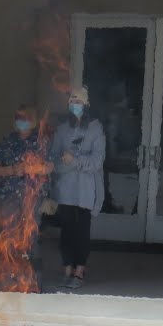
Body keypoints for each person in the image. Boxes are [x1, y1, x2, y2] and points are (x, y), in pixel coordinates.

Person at [49, 86, 106, 290]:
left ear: (87, 104)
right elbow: (53, 158)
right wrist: (62, 163)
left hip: (85, 190)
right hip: (65, 190)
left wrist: (75, 160)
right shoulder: (62, 129)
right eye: (72, 100)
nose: (75, 104)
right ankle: (67, 269)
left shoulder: (95, 128)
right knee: (66, 231)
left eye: (79, 101)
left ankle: (79, 271)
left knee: (81, 231)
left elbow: (98, 160)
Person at [0, 106, 53, 292]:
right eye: (19, 118)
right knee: (9, 235)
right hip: (10, 195)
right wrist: (10, 170)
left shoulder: (42, 140)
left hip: (32, 196)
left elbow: (50, 166)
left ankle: (33, 281)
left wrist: (32, 169)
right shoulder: (8, 140)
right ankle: (10, 280)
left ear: (33, 121)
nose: (22, 121)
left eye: (26, 118)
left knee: (31, 237)